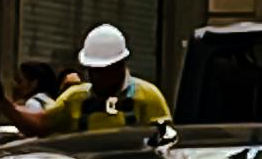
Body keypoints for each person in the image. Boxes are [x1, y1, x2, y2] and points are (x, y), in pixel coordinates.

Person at [24, 21, 168, 132]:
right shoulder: (74, 98)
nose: (99, 77)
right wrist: (10, 108)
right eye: (94, 71)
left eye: (105, 71)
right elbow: (40, 124)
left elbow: (167, 143)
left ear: (120, 65)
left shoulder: (148, 96)